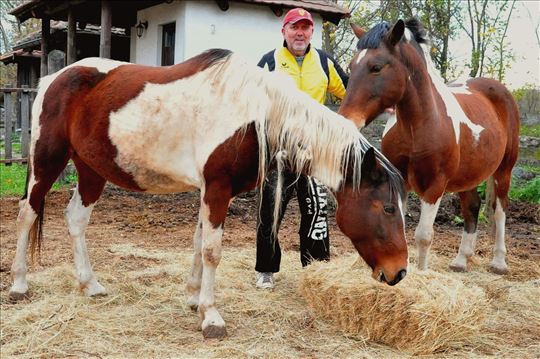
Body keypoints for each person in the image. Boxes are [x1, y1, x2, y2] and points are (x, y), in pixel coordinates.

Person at [255, 7, 349, 289]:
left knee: (316, 211)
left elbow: (350, 92)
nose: (300, 32)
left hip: (313, 150)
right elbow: (251, 101)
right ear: (284, 31)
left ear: (311, 32)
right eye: (294, 27)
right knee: (270, 211)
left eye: (306, 27)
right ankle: (266, 270)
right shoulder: (269, 61)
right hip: (277, 152)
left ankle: (316, 271)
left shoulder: (324, 61)